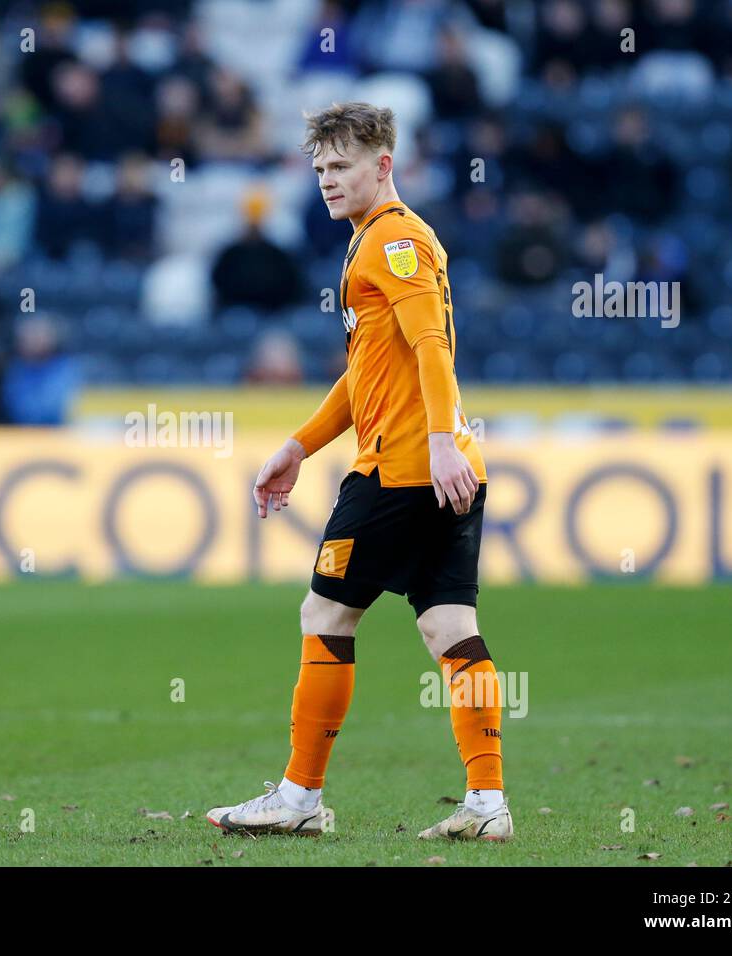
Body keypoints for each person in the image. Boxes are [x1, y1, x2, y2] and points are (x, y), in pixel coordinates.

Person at [206, 103, 510, 842]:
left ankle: (299, 795)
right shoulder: (373, 242)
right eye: (318, 169)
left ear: (383, 164)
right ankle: (487, 804)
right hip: (444, 468)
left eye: (341, 166)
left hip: (403, 470)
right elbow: (368, 372)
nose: (327, 181)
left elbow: (432, 345)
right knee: (449, 626)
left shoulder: (394, 239)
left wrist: (437, 441)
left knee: (325, 615)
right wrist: (301, 446)